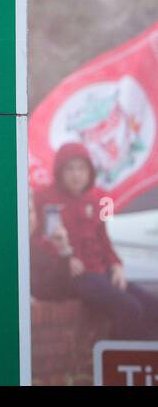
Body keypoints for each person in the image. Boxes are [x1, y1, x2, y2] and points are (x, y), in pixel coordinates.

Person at [33, 142, 158, 339]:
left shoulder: (92, 200)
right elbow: (38, 239)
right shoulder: (45, 199)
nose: (76, 175)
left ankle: (148, 364)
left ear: (90, 172)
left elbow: (103, 240)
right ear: (60, 171)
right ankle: (118, 363)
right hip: (77, 276)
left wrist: (116, 264)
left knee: (152, 306)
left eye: (81, 168)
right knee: (130, 308)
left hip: (102, 272)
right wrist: (63, 259)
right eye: (70, 168)